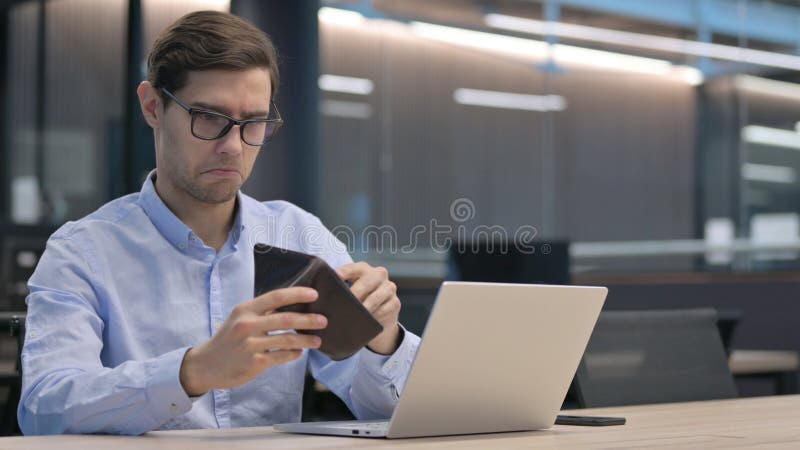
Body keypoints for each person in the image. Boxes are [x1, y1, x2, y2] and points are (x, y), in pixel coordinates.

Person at [18, 10, 419, 435]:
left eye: (254, 122)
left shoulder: (298, 235)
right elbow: (45, 409)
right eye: (209, 117)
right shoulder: (83, 250)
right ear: (153, 106)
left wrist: (384, 341)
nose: (233, 147)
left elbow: (386, 410)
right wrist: (191, 372)